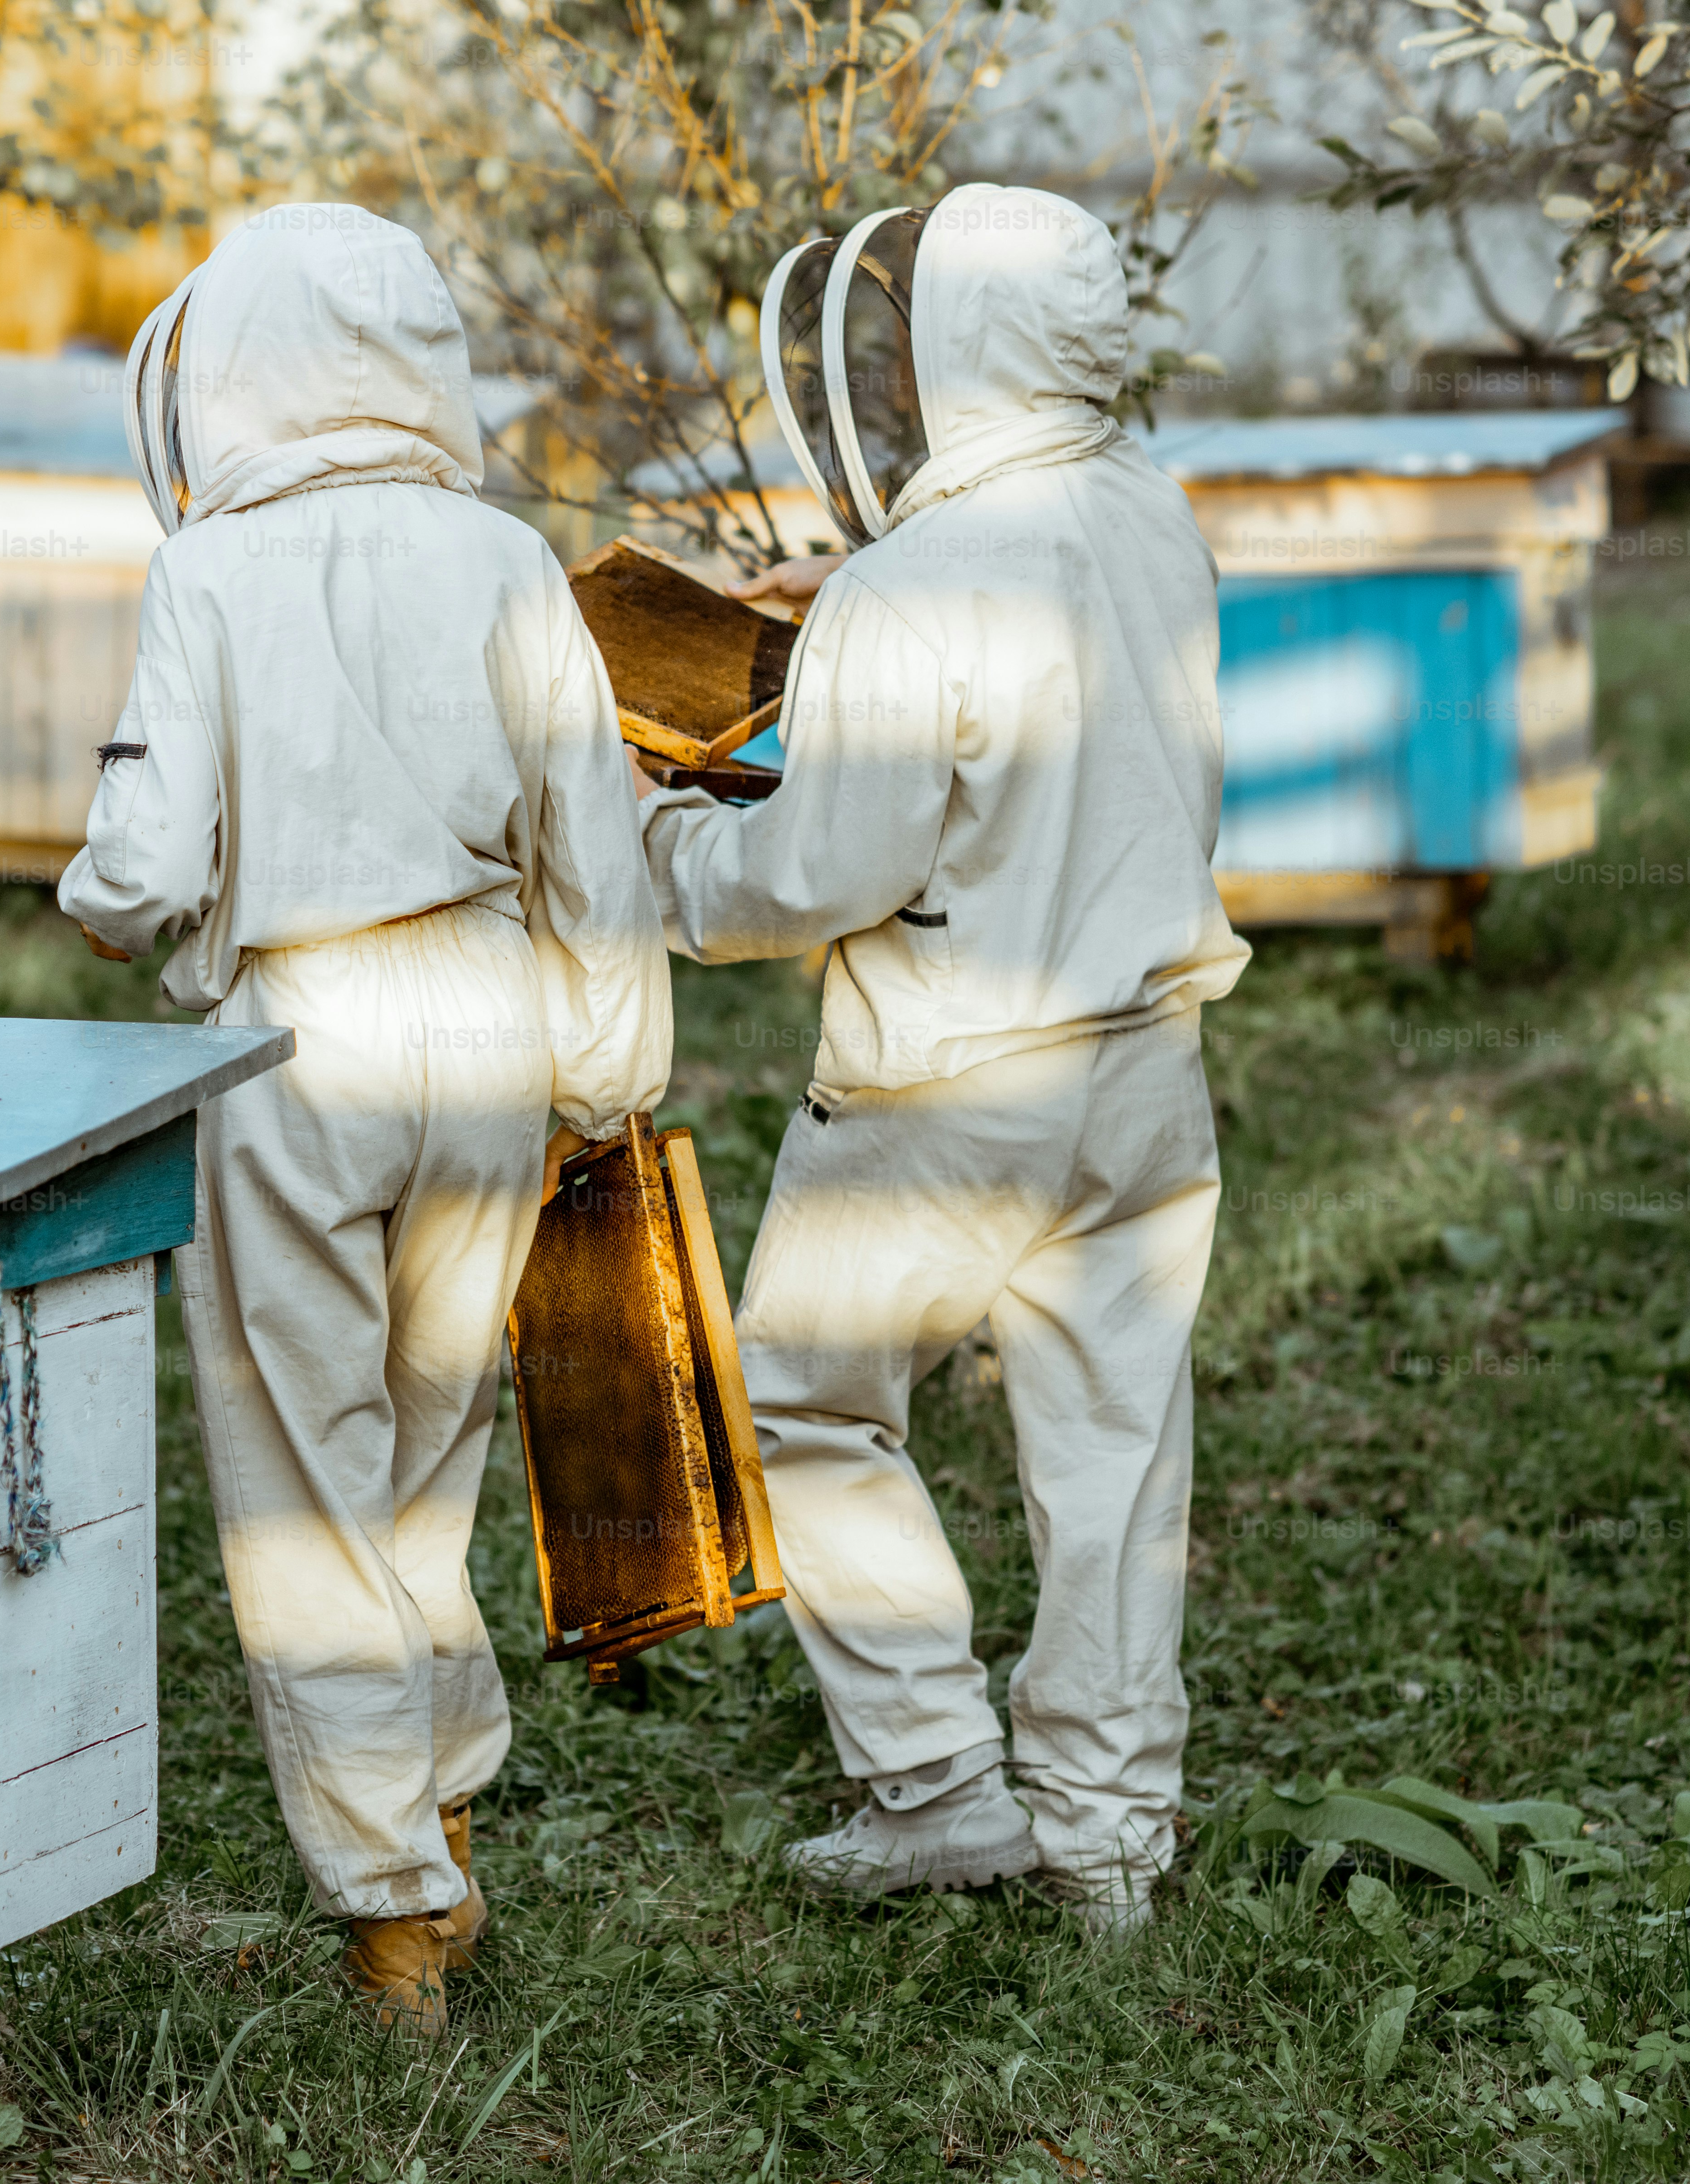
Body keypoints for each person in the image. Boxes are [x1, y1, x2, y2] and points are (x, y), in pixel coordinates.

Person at [61, 202, 671, 2032]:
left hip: (296, 1033)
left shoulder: (213, 574)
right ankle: (446, 1807)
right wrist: (607, 1078)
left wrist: (101, 902)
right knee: (426, 1449)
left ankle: (392, 1909)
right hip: (488, 1023)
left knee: (296, 1478)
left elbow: (144, 862)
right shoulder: (505, 561)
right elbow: (601, 849)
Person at [634, 184, 1247, 1937]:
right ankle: (1113, 1841)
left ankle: (937, 1789)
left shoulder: (915, 590)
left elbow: (815, 877)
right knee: (1118, 1449)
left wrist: (657, 842)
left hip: (941, 1090)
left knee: (811, 1401)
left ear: (958, 347)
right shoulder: (1150, 513)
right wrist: (846, 608)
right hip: (1140, 1076)